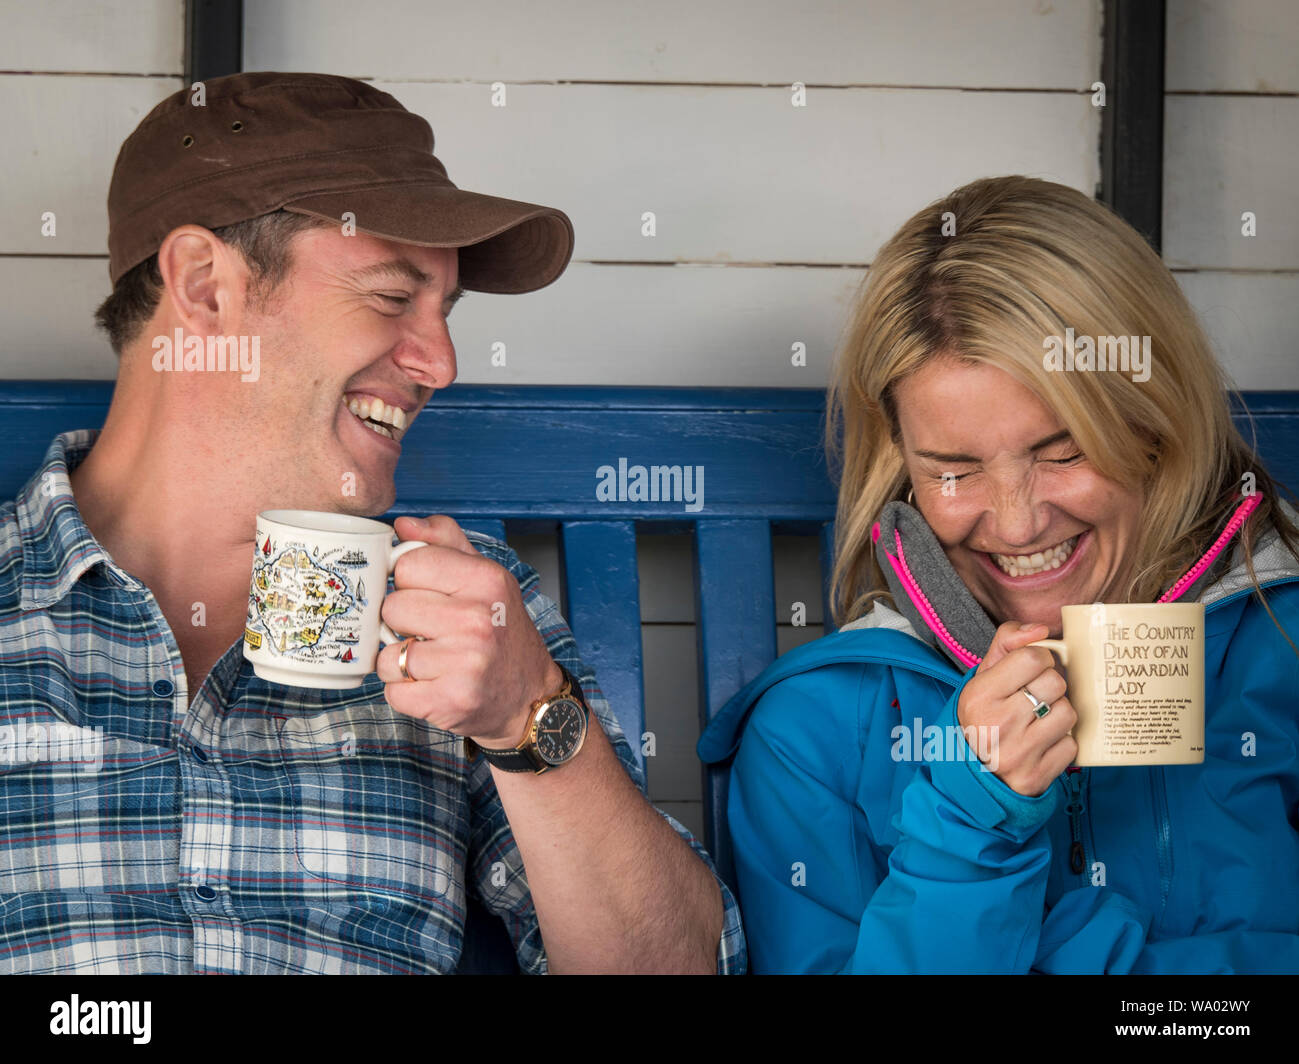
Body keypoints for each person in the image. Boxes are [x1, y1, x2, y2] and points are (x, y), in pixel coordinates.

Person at [0, 72, 744, 974]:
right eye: (393, 299)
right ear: (202, 287)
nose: (442, 363)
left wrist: (529, 718)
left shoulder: (463, 613)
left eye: (444, 313)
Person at [699, 175, 1299, 974]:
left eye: (1064, 452)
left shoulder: (1282, 651)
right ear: (899, 464)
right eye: (954, 469)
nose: (1016, 525)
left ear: (1159, 423)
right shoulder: (814, 729)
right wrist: (967, 827)